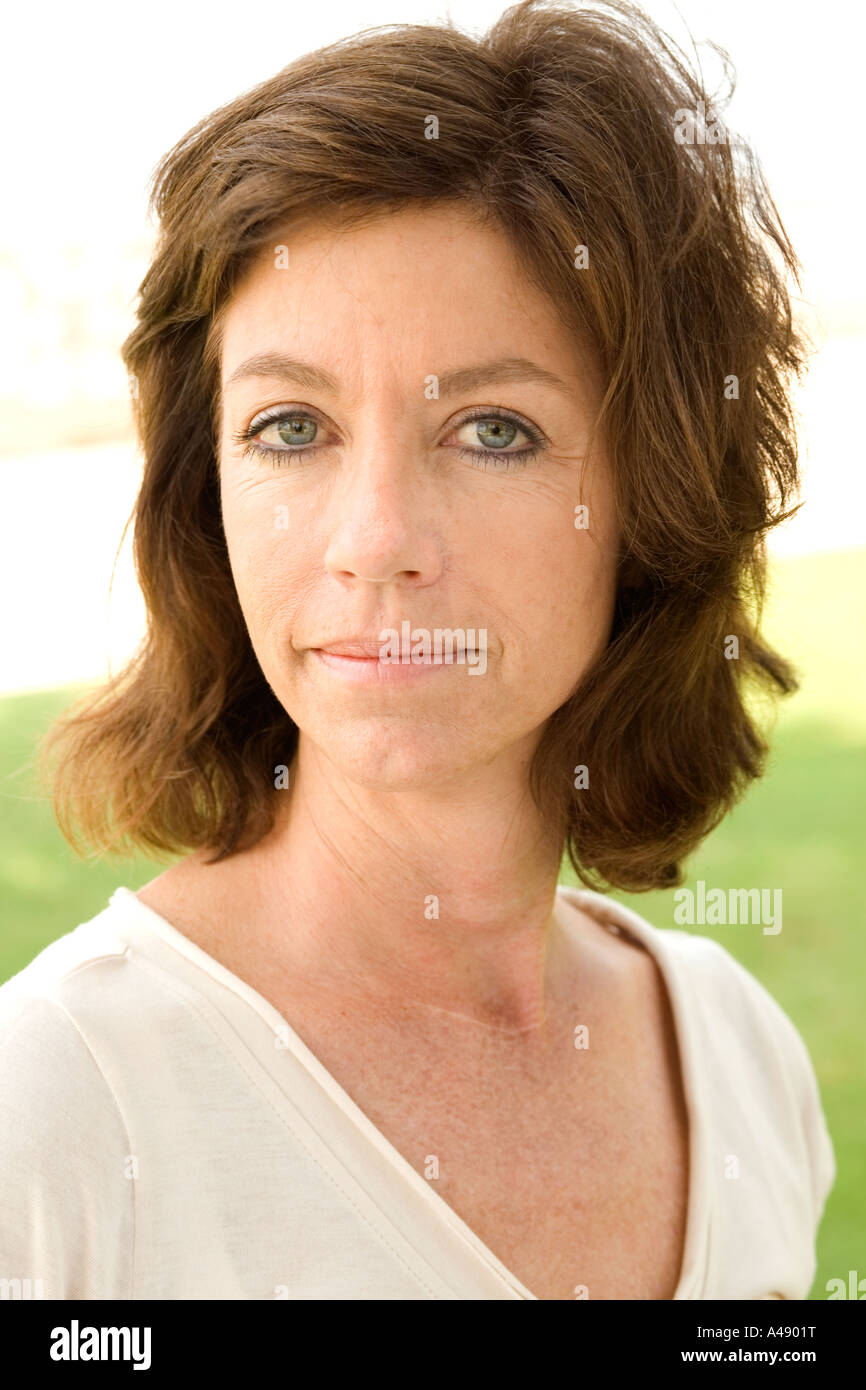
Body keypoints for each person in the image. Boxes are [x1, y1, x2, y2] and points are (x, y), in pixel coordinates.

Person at [0, 0, 834, 1300]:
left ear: (651, 491)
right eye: (289, 427)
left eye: (492, 429)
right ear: (202, 493)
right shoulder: (59, 1102)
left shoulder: (734, 1054)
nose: (375, 538)